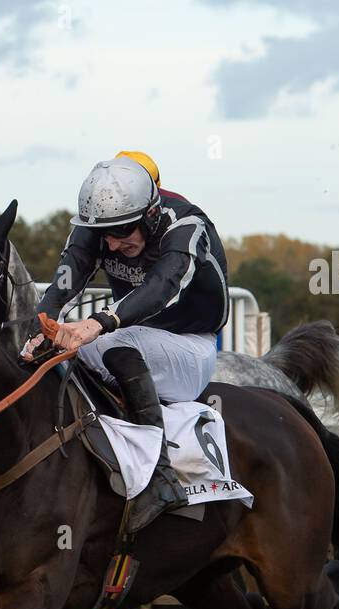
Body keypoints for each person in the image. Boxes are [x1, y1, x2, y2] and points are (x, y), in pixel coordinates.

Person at [21, 156, 229, 533]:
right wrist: (41, 326)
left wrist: (97, 323)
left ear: (150, 215)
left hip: (191, 346)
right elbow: (63, 285)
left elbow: (160, 288)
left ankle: (162, 477)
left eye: (123, 232)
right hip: (135, 338)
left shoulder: (186, 225)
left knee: (108, 339)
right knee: (60, 342)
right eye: (105, 236)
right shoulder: (97, 229)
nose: (113, 244)